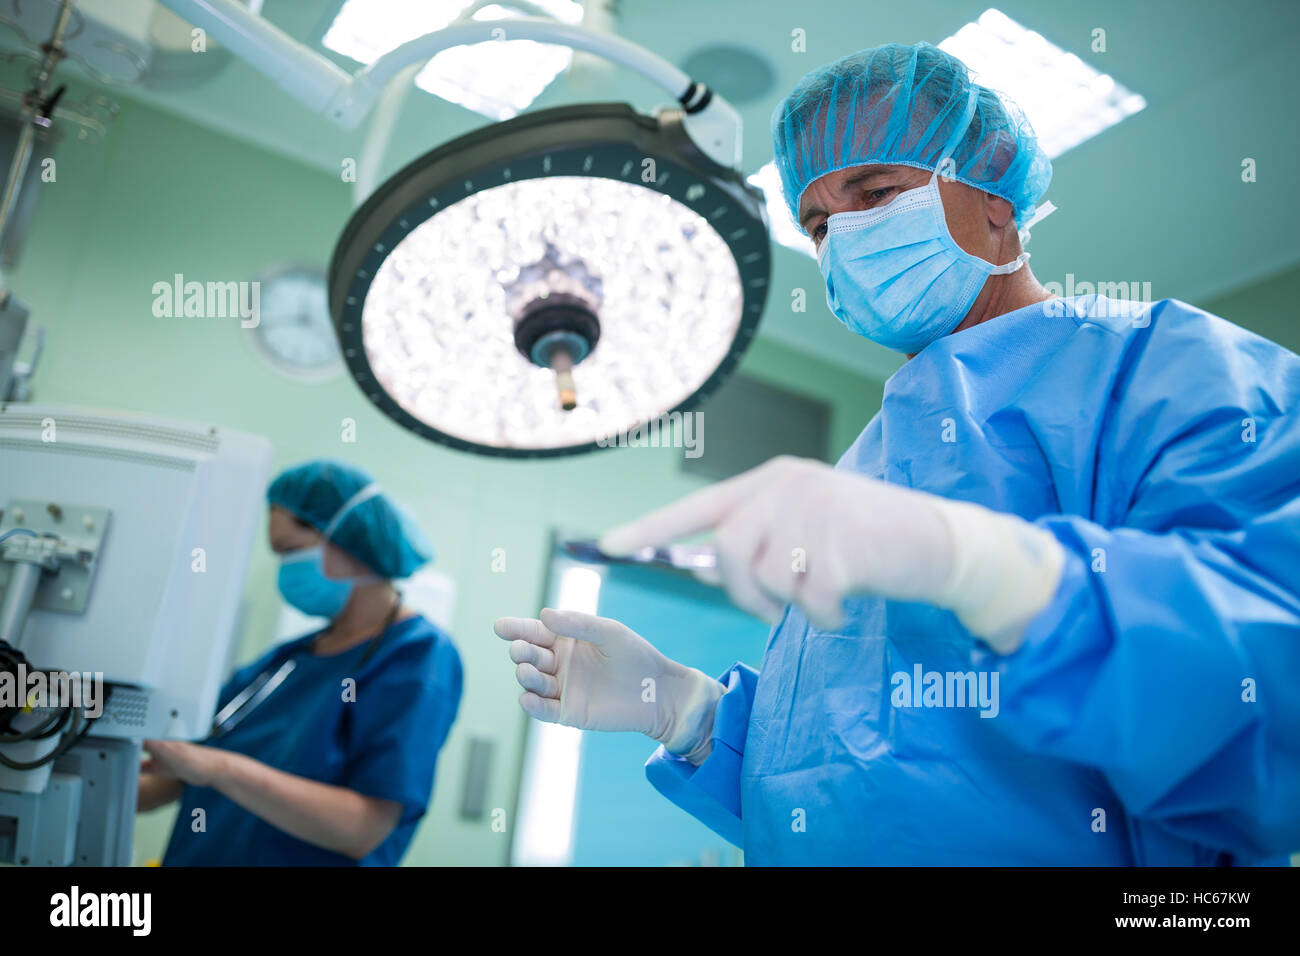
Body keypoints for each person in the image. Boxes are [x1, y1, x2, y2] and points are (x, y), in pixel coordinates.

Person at [495, 42, 1300, 865]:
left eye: (876, 193)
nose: (843, 239)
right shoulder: (869, 461)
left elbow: (1271, 699)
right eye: (818, 225)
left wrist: (1006, 577)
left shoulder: (1165, 372)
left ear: (995, 188)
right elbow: (858, 784)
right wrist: (690, 715)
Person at [139, 459, 463, 866]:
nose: (285, 570)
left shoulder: (417, 657)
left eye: (291, 551)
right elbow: (177, 778)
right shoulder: (285, 661)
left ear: (352, 539)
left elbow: (364, 829)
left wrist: (221, 769)